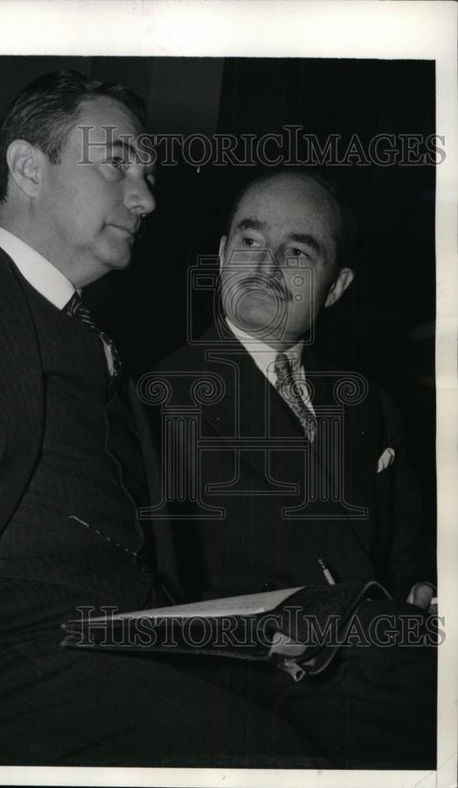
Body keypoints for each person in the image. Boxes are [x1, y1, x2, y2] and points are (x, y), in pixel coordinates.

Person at [0, 71, 319, 768]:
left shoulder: (106, 348)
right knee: (271, 760)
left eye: (146, 174)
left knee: (369, 678)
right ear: (29, 167)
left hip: (134, 642)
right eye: (119, 163)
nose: (145, 198)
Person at [143, 170, 437, 768]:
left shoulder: (371, 406)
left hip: (386, 661)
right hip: (263, 686)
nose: (266, 265)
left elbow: (410, 549)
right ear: (223, 255)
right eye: (250, 241)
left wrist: (422, 586)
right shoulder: (155, 397)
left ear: (336, 286)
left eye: (298, 251)